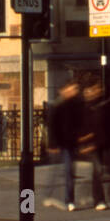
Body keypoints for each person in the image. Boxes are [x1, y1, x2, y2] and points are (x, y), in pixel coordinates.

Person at [44, 77, 82, 211]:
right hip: (60, 143)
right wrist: (53, 145)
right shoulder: (57, 105)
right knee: (60, 171)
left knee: (68, 171)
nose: (75, 92)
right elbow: (52, 126)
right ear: (64, 90)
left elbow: (79, 123)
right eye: (72, 89)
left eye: (75, 89)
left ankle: (68, 199)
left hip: (71, 143)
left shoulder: (76, 104)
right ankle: (56, 196)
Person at [77, 72, 109, 209]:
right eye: (94, 89)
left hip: (101, 143)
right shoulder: (85, 107)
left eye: (98, 88)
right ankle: (99, 200)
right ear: (87, 91)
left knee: (99, 171)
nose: (98, 91)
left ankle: (91, 196)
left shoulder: (101, 104)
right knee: (98, 171)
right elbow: (82, 128)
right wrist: (85, 142)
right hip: (92, 143)